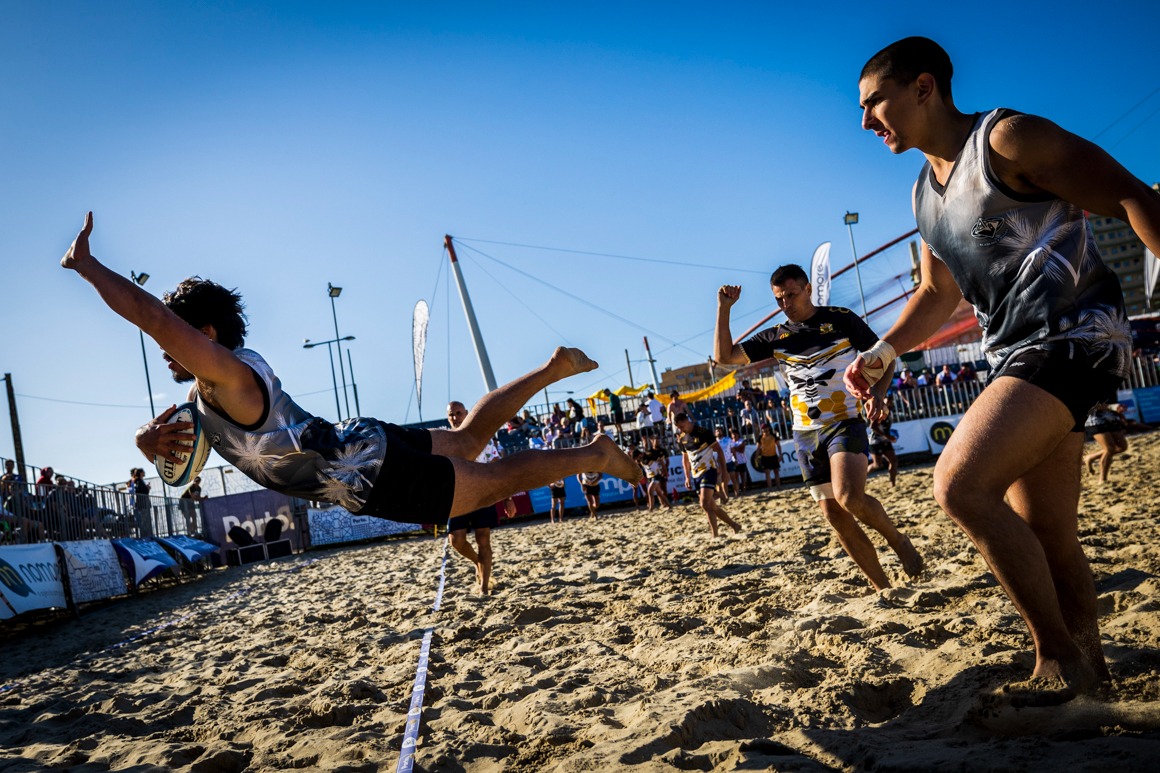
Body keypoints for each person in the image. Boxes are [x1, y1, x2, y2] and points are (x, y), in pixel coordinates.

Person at [849, 36, 1159, 702]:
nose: (866, 121)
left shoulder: (1007, 139)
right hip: (1015, 352)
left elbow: (1132, 194)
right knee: (1047, 532)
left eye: (876, 101)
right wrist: (879, 355)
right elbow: (936, 296)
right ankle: (1094, 683)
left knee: (959, 484)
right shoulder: (921, 195)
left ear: (924, 88)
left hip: (1076, 333)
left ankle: (1058, 661)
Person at [61, 213, 642, 533]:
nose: (168, 349)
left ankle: (595, 454)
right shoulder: (205, 390)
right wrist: (144, 440)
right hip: (358, 440)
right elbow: (175, 456)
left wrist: (87, 266)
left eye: (182, 338)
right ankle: (551, 368)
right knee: (468, 441)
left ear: (205, 335)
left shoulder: (227, 376)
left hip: (363, 475)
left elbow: (152, 316)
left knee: (497, 483)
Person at [715, 264, 922, 589]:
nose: (786, 304)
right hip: (805, 433)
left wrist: (879, 396)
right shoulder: (776, 335)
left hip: (845, 422)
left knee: (849, 498)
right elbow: (725, 356)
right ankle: (883, 588)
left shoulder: (841, 319)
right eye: (779, 299)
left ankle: (898, 541)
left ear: (808, 289)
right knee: (834, 515)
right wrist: (724, 309)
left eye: (791, 295)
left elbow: (888, 357)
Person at [445, 401, 513, 595]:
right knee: (455, 541)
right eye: (451, 415)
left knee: (483, 539)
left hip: (483, 495)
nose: (455, 418)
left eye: (458, 413)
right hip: (459, 497)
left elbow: (498, 469)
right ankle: (477, 562)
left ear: (467, 414)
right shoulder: (446, 441)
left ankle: (484, 588)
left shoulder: (482, 438)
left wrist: (507, 497)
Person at [674, 412, 742, 537]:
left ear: (687, 421)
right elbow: (685, 459)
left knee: (704, 504)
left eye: (681, 426)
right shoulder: (682, 438)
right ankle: (734, 525)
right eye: (678, 428)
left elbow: (720, 452)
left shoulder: (704, 432)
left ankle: (715, 535)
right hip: (696, 474)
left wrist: (724, 470)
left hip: (708, 470)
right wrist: (687, 477)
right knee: (711, 506)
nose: (680, 429)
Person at [1082, 402, 1128, 485]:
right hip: (1094, 419)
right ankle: (1102, 479)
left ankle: (1090, 457)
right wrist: (1113, 406)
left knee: (1122, 447)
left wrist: (1120, 414)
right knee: (1109, 448)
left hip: (1110, 417)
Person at [868, 411, 899, 486]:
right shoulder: (878, 411)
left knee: (893, 461)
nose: (890, 403)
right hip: (875, 441)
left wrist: (889, 436)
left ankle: (892, 483)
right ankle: (863, 475)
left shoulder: (890, 411)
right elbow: (873, 426)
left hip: (885, 440)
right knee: (877, 464)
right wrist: (888, 436)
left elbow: (886, 427)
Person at [757, 423, 782, 490]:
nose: (764, 429)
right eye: (763, 428)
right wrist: (757, 457)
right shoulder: (760, 437)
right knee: (767, 472)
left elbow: (778, 446)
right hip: (764, 456)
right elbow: (758, 448)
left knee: (776, 471)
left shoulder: (773, 436)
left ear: (768, 428)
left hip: (773, 455)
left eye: (765, 428)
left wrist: (780, 455)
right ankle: (770, 488)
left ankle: (778, 487)